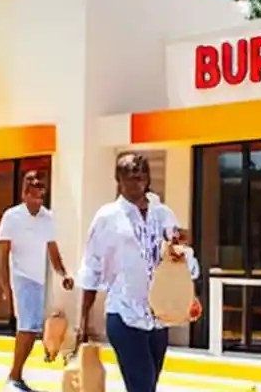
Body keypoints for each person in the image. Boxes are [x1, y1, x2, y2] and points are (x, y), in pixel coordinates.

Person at [77, 152, 199, 392]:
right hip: (124, 315)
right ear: (118, 179)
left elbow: (185, 264)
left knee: (148, 386)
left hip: (159, 319)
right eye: (131, 174)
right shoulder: (107, 217)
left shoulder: (163, 214)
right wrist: (83, 321)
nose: (138, 178)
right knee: (142, 386)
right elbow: (91, 267)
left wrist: (180, 253)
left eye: (142, 172)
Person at [0, 169, 73, 392]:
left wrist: (63, 273)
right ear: (24, 194)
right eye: (34, 195)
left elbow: (53, 251)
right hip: (20, 277)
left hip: (39, 279)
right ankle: (14, 376)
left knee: (31, 328)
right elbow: (2, 255)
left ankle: (16, 375)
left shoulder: (47, 218)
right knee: (28, 327)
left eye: (41, 195)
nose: (38, 200)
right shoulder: (11, 217)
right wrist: (4, 287)